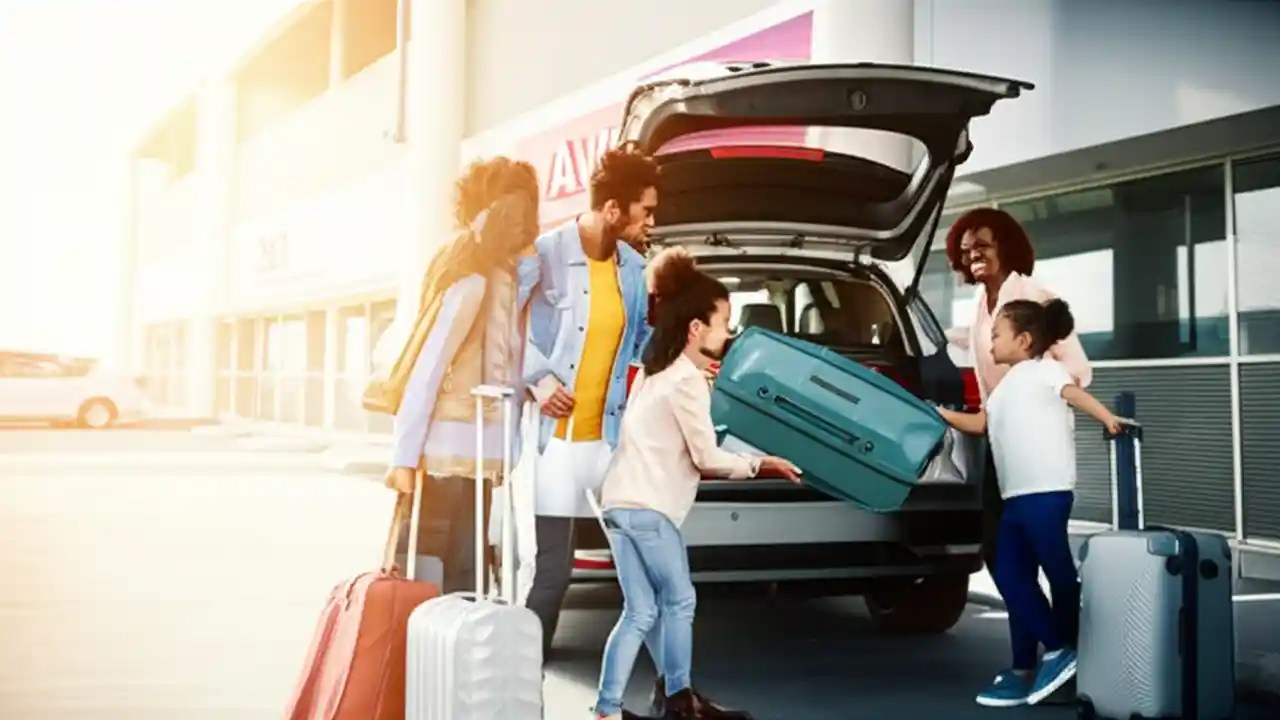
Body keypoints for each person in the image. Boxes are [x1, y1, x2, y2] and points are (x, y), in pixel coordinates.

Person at [593, 248, 801, 720]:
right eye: (723, 323)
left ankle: (607, 710)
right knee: (680, 599)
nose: (728, 334)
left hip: (619, 504)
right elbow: (707, 457)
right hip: (650, 510)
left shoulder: (655, 372)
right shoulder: (685, 381)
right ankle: (680, 702)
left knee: (639, 612)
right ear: (696, 329)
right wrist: (760, 463)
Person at [937, 298, 1121, 709]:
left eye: (997, 334)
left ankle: (1066, 655)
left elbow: (1073, 394)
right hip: (1015, 498)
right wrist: (940, 414)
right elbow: (981, 424)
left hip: (1046, 492)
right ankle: (1048, 657)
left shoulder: (1046, 370)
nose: (989, 343)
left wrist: (1107, 418)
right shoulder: (1007, 384)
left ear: (1023, 339)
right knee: (1010, 575)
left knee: (1058, 573)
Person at [518, 147, 659, 655]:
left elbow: (641, 342)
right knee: (553, 573)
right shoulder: (544, 254)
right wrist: (536, 379)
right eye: (646, 211)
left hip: (607, 444)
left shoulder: (635, 268)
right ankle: (519, 685)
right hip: (554, 447)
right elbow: (506, 330)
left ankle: (674, 694)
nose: (651, 222)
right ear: (615, 210)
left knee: (647, 569)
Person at [384, 156, 540, 593]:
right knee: (435, 572)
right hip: (447, 454)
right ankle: (420, 658)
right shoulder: (470, 284)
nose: (524, 226)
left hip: (479, 457)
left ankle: (448, 659)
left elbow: (509, 369)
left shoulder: (499, 282)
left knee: (465, 575)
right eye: (515, 213)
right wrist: (404, 456)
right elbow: (426, 369)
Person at [943, 208, 1092, 577]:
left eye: (981, 246)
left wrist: (1028, 385)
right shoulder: (981, 304)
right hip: (999, 441)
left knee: (1043, 556)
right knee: (1000, 554)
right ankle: (1037, 632)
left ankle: (1063, 633)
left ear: (1005, 247)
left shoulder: (1035, 298)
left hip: (1037, 447)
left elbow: (1078, 369)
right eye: (965, 250)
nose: (972, 255)